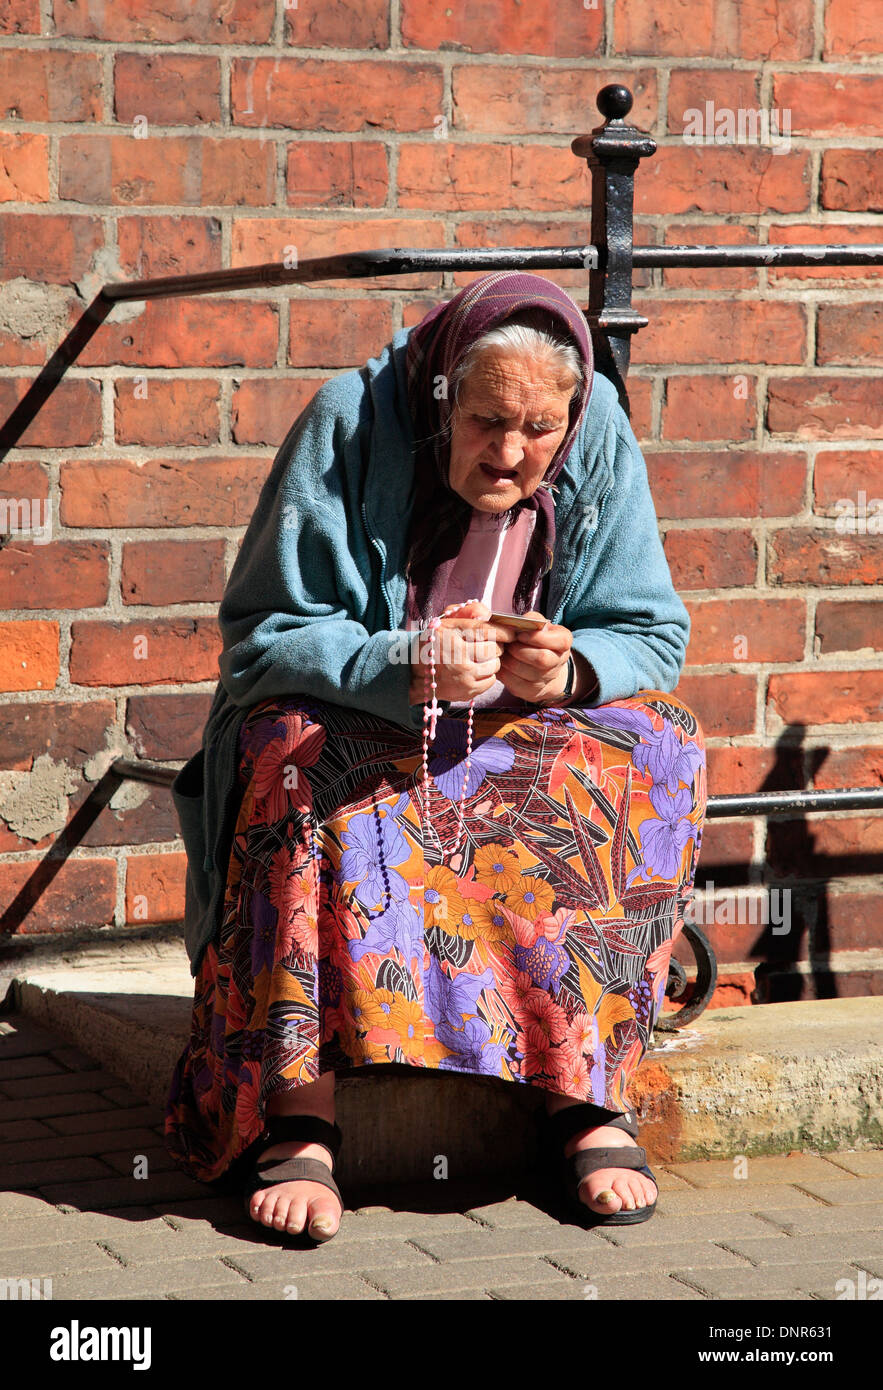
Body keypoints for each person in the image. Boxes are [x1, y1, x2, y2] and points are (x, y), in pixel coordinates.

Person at [165, 271, 707, 1244]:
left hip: (508, 728)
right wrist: (399, 663)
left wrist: (574, 667)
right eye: (487, 421)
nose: (510, 454)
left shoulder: (596, 432)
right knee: (299, 755)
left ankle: (578, 1094)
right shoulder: (349, 419)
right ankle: (299, 1117)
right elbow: (261, 638)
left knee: (657, 745)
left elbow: (651, 635)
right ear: (440, 396)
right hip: (357, 713)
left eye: (538, 430)